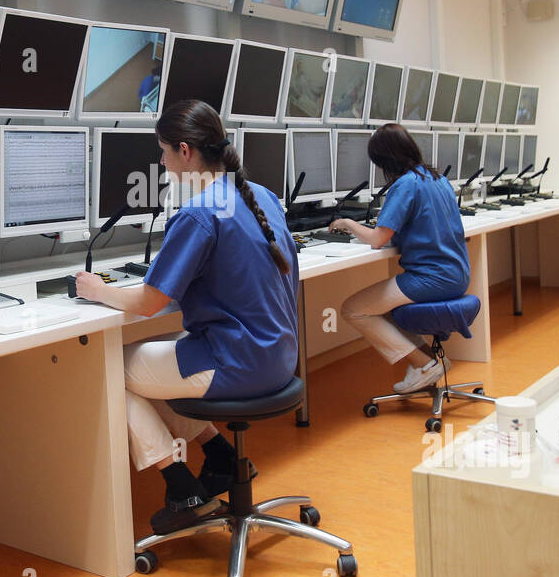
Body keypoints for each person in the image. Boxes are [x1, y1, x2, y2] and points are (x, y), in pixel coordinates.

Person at [74, 100, 300, 534]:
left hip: (236, 365)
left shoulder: (197, 213)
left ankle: (182, 489)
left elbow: (149, 303)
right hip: (278, 360)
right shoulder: (263, 198)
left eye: (162, 152)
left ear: (185, 151)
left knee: (105, 366)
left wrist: (97, 290)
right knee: (154, 364)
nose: (161, 162)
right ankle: (218, 456)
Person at [328, 123, 470, 394]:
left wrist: (347, 222)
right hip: (457, 274)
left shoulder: (405, 184)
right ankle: (430, 360)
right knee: (383, 309)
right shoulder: (436, 178)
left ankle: (425, 364)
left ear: (385, 160)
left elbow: (378, 240)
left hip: (431, 278)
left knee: (353, 309)